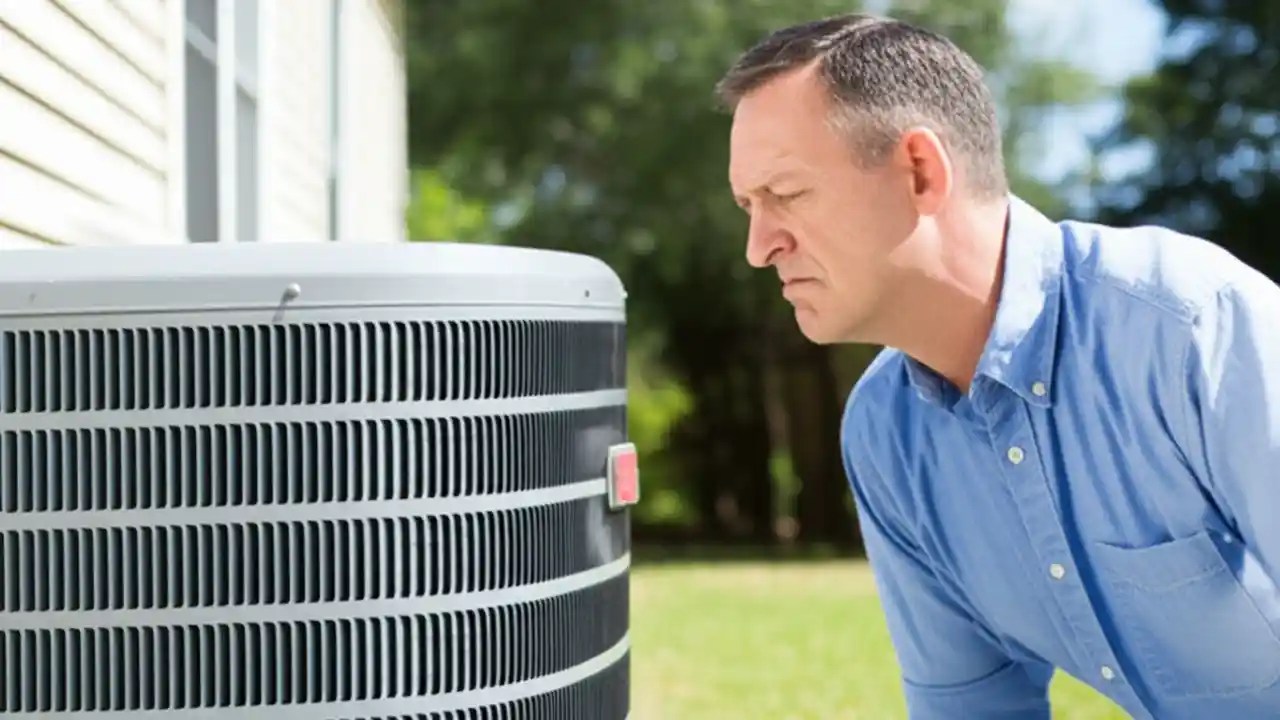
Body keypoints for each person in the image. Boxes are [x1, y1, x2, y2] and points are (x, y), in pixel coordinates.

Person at [716, 13, 1280, 720]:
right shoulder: (885, 435)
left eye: (787, 194)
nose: (759, 247)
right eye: (748, 206)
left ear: (920, 172)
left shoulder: (1188, 326)